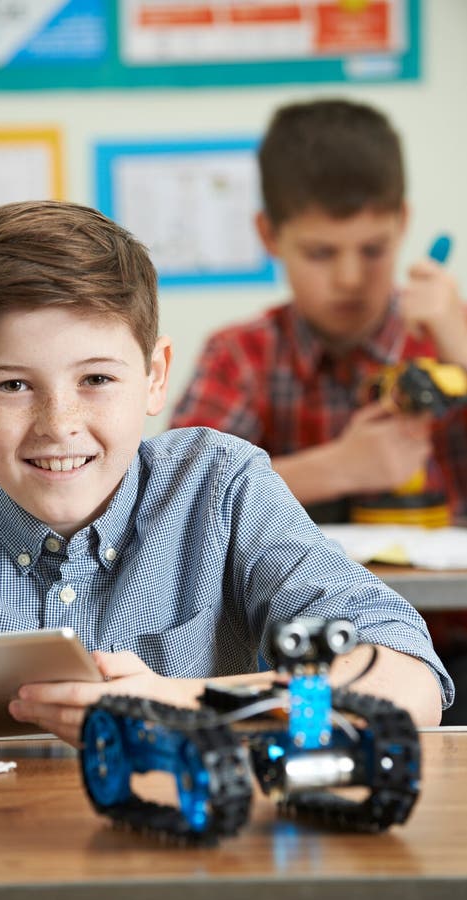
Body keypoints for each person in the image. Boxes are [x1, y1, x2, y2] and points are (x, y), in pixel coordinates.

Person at [0, 200, 451, 745]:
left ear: (154, 375)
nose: (60, 424)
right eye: (13, 385)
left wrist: (190, 703)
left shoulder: (220, 488)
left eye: (96, 379)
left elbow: (408, 681)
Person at [170, 98, 467, 723]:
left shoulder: (447, 337)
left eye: (373, 248)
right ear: (269, 236)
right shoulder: (241, 356)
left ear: (404, 222)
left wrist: (458, 340)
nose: (352, 278)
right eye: (322, 253)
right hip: (304, 659)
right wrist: (339, 467)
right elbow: (177, 505)